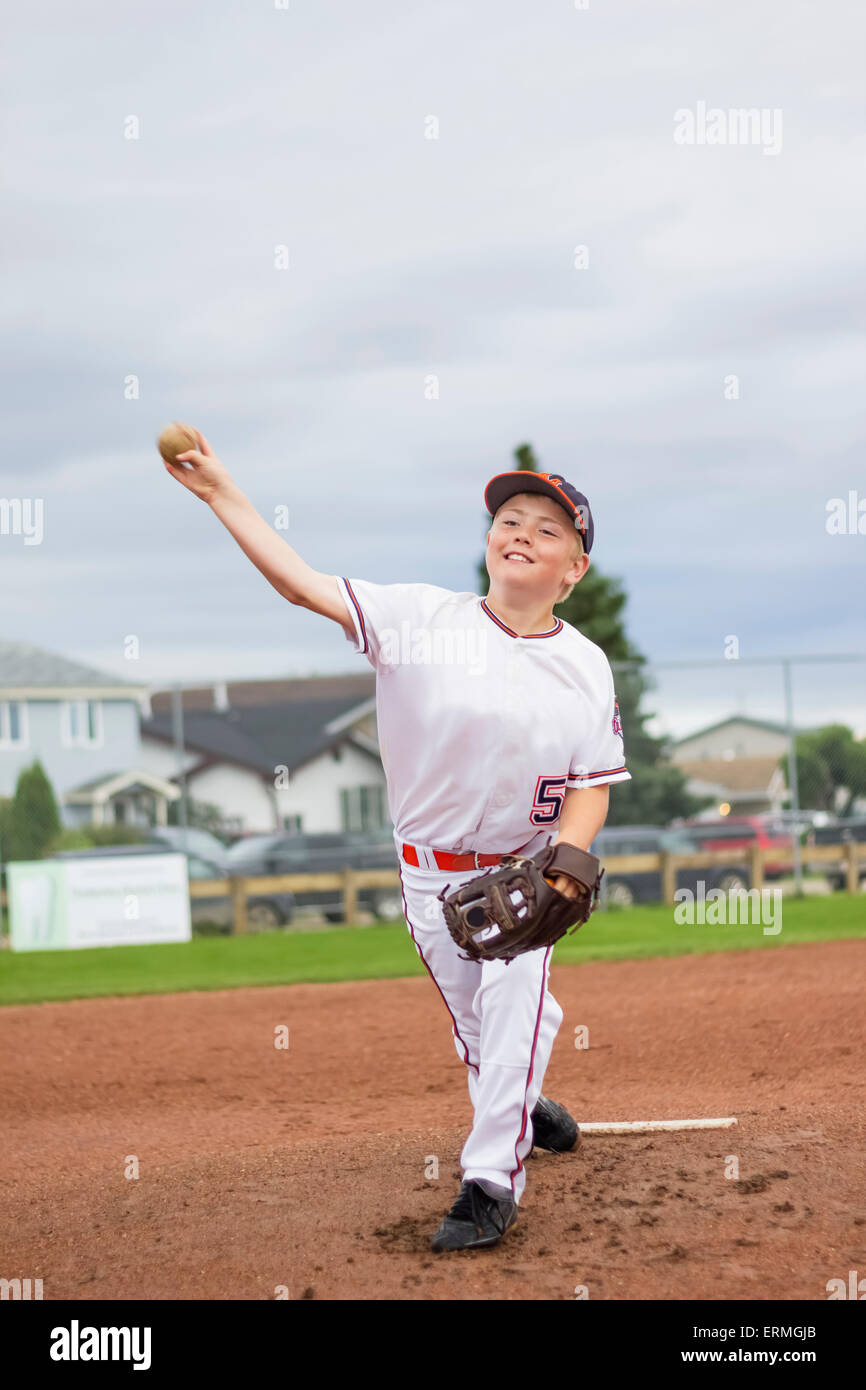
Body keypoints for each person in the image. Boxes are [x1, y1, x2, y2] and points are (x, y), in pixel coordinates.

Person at [164, 431, 630, 1251]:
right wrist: (221, 494)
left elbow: (592, 781)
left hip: (526, 870)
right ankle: (524, 1104)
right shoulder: (419, 620)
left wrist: (568, 862)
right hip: (431, 882)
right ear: (489, 541)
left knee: (517, 1000)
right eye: (510, 518)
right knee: (487, 1037)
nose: (521, 531)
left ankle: (490, 1181)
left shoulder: (587, 665)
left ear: (574, 568)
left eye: (548, 529)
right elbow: (303, 586)